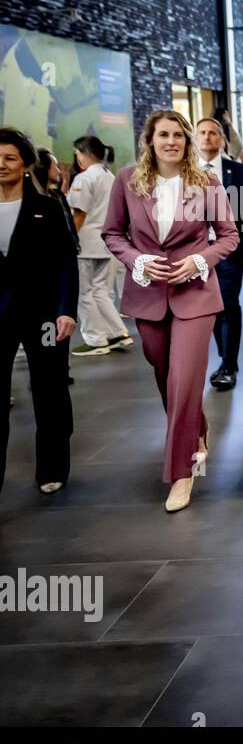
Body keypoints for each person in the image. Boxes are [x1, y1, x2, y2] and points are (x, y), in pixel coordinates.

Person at [102, 110, 241, 512]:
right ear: (150, 140)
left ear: (187, 141)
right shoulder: (127, 181)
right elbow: (112, 232)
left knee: (185, 378)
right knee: (166, 376)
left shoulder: (206, 182)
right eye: (163, 134)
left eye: (179, 135)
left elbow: (229, 235)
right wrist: (137, 260)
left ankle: (182, 472)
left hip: (195, 293)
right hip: (147, 294)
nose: (171, 141)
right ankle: (195, 429)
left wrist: (200, 260)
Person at [0, 127, 78, 496]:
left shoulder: (47, 207)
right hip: (0, 318)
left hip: (45, 316)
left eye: (9, 158)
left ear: (25, 164)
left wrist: (66, 310)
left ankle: (52, 467)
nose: (1, 165)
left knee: (50, 389)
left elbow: (65, 262)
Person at [194, 116, 243, 391]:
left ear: (222, 140)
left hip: (228, 251)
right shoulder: (184, 172)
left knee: (227, 303)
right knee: (210, 308)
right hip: (195, 252)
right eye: (202, 132)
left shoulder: (238, 172)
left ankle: (228, 365)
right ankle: (225, 355)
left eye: (213, 132)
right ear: (195, 139)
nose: (207, 137)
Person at [69, 135, 131, 357]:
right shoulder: (110, 176)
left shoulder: (85, 178)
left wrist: (68, 239)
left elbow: (79, 214)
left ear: (84, 153)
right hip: (106, 242)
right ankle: (117, 333)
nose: (77, 158)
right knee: (99, 290)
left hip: (85, 242)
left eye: (77, 154)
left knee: (84, 292)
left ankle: (96, 339)